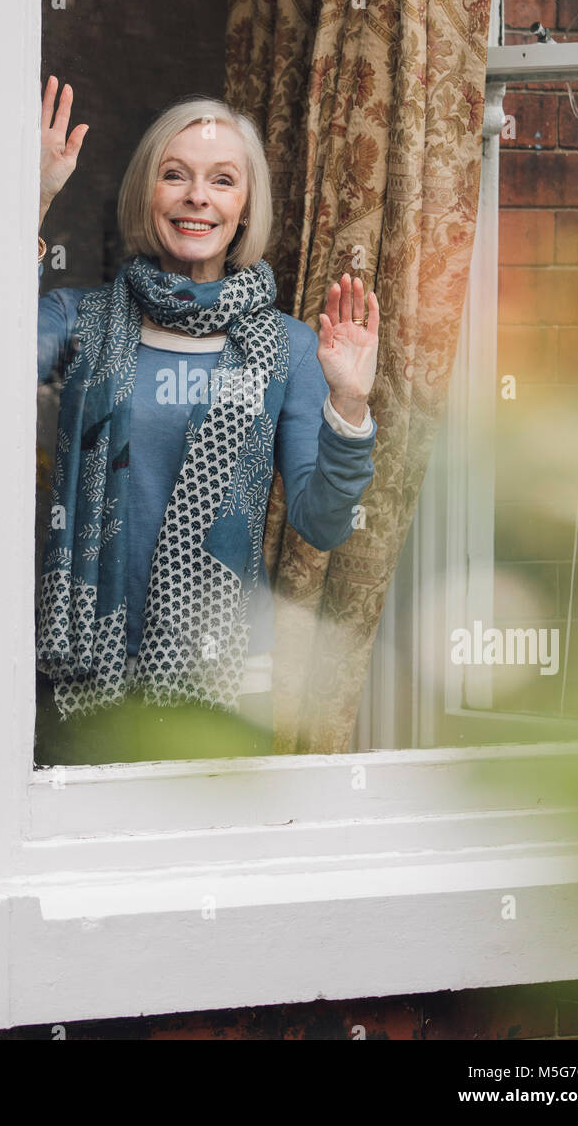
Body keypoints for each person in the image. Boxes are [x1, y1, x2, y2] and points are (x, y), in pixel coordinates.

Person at [34, 77, 379, 764]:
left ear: (245, 208)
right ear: (147, 195)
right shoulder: (76, 320)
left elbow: (322, 521)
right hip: (78, 679)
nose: (198, 196)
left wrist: (349, 403)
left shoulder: (289, 347)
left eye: (222, 180)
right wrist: (33, 205)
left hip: (225, 688)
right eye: (175, 176)